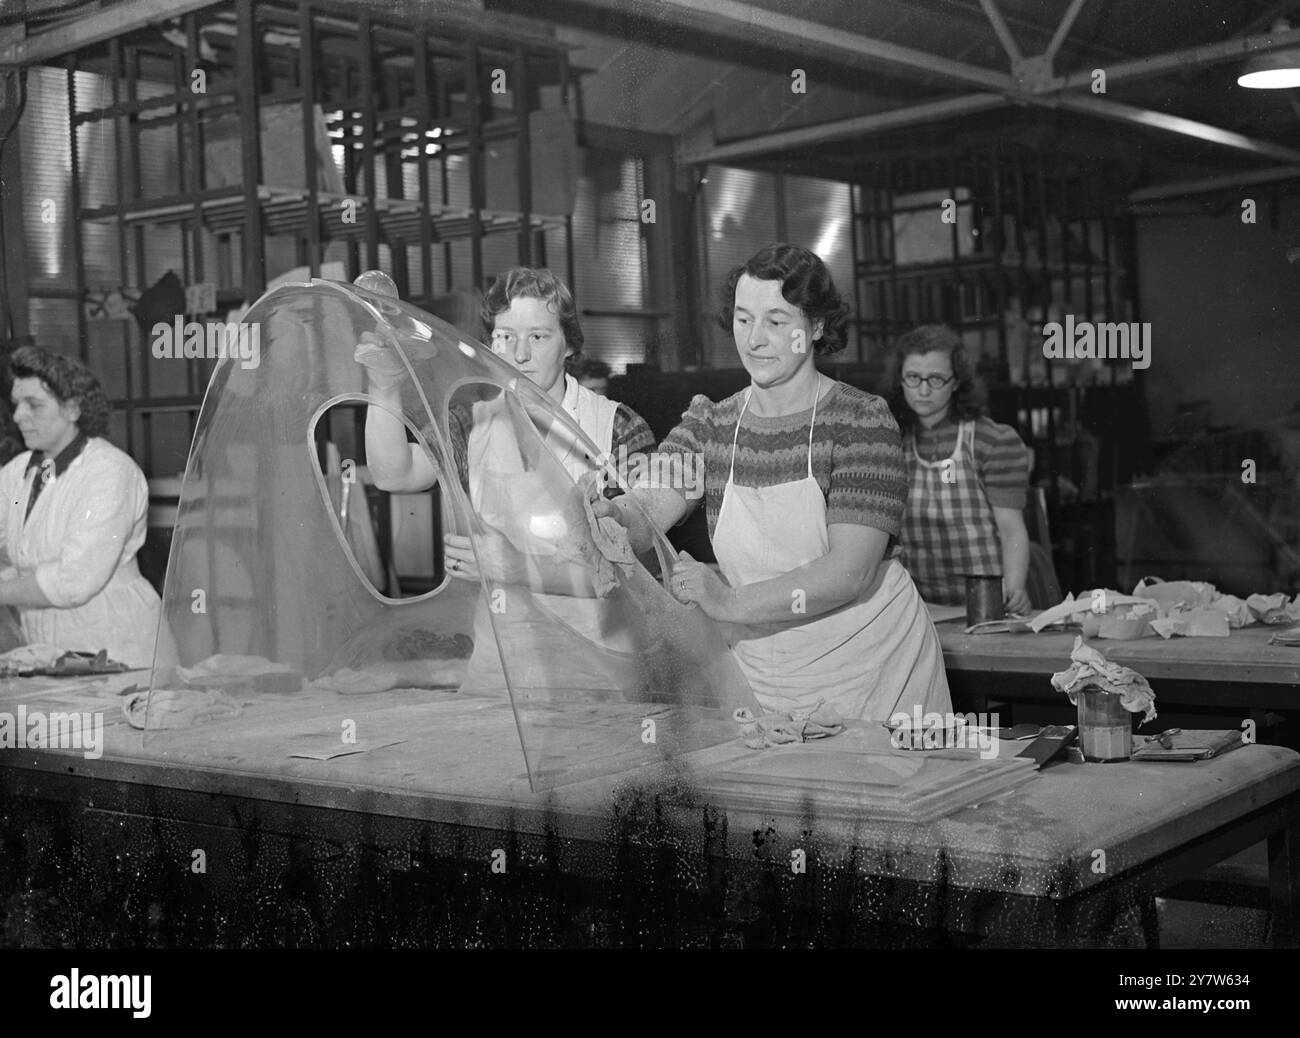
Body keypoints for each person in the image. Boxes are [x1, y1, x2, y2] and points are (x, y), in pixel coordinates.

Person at [592, 244, 951, 721]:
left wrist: (728, 600)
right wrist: (612, 518)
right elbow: (649, 507)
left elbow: (851, 571)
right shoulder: (712, 424)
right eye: (743, 320)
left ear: (817, 326)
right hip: (767, 675)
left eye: (776, 322)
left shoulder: (860, 422)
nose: (754, 340)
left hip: (874, 671)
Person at [356, 267, 656, 692]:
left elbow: (630, 574)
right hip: (501, 686)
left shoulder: (616, 430)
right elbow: (394, 474)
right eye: (504, 337)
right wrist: (383, 387)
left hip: (600, 687)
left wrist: (516, 567)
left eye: (538, 336)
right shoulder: (473, 425)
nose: (519, 355)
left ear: (569, 344)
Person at [0, 346, 174, 669]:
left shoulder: (109, 471)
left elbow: (74, 579)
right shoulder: (18, 472)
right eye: (16, 404)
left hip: (115, 641)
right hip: (48, 641)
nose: (18, 416)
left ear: (72, 408)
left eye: (33, 405)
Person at [888, 324, 1032, 614]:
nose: (923, 390)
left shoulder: (992, 441)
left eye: (937, 379)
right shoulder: (891, 443)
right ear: (900, 380)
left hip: (985, 602)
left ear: (956, 382)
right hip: (917, 605)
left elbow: (1011, 530)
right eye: (913, 378)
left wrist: (1014, 588)